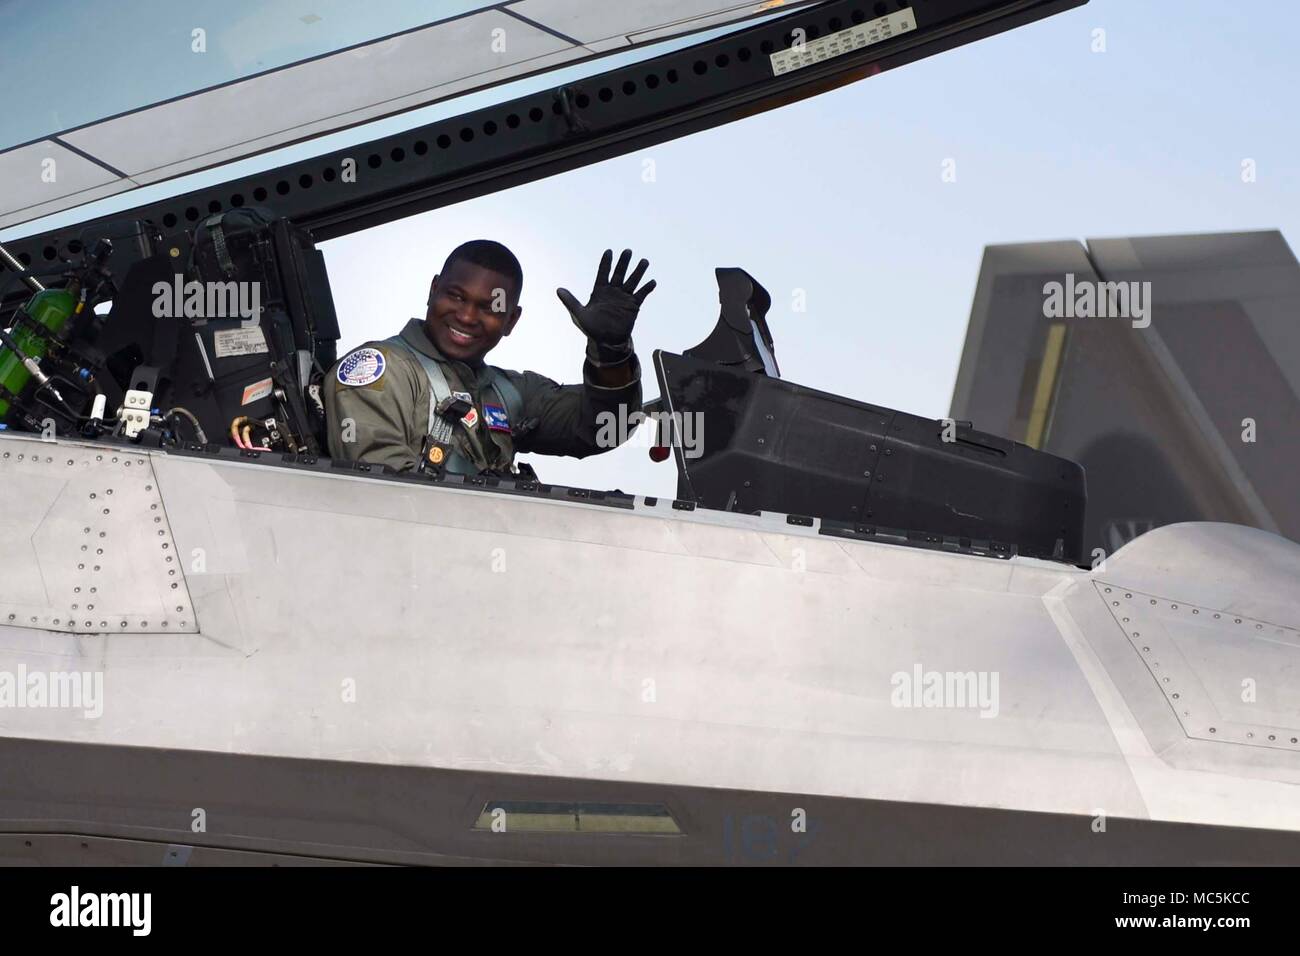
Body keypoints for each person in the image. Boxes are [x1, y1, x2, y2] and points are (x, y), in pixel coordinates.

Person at [325, 240, 655, 476]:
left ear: (511, 320)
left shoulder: (508, 393)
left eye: (490, 308)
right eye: (456, 296)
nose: (467, 316)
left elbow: (605, 429)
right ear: (433, 290)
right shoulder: (381, 370)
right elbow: (377, 492)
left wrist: (611, 351)